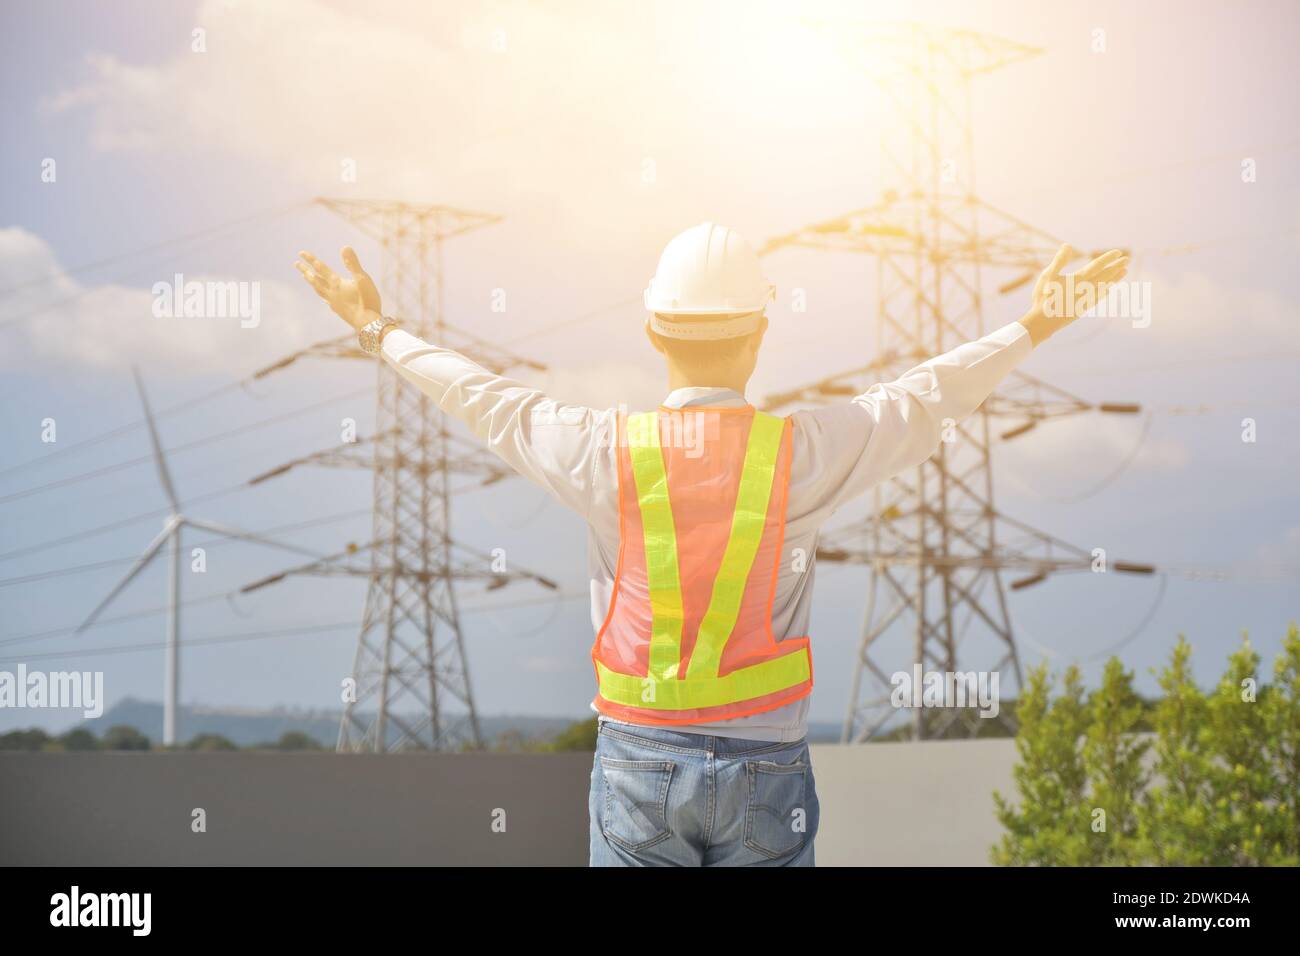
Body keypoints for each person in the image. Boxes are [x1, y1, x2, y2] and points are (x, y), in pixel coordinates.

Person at [295, 223, 1128, 866]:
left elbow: (483, 399)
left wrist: (378, 330)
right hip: (769, 770)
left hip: (638, 764)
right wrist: (1035, 324)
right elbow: (923, 400)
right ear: (759, 334)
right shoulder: (800, 456)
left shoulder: (603, 453)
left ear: (654, 332)